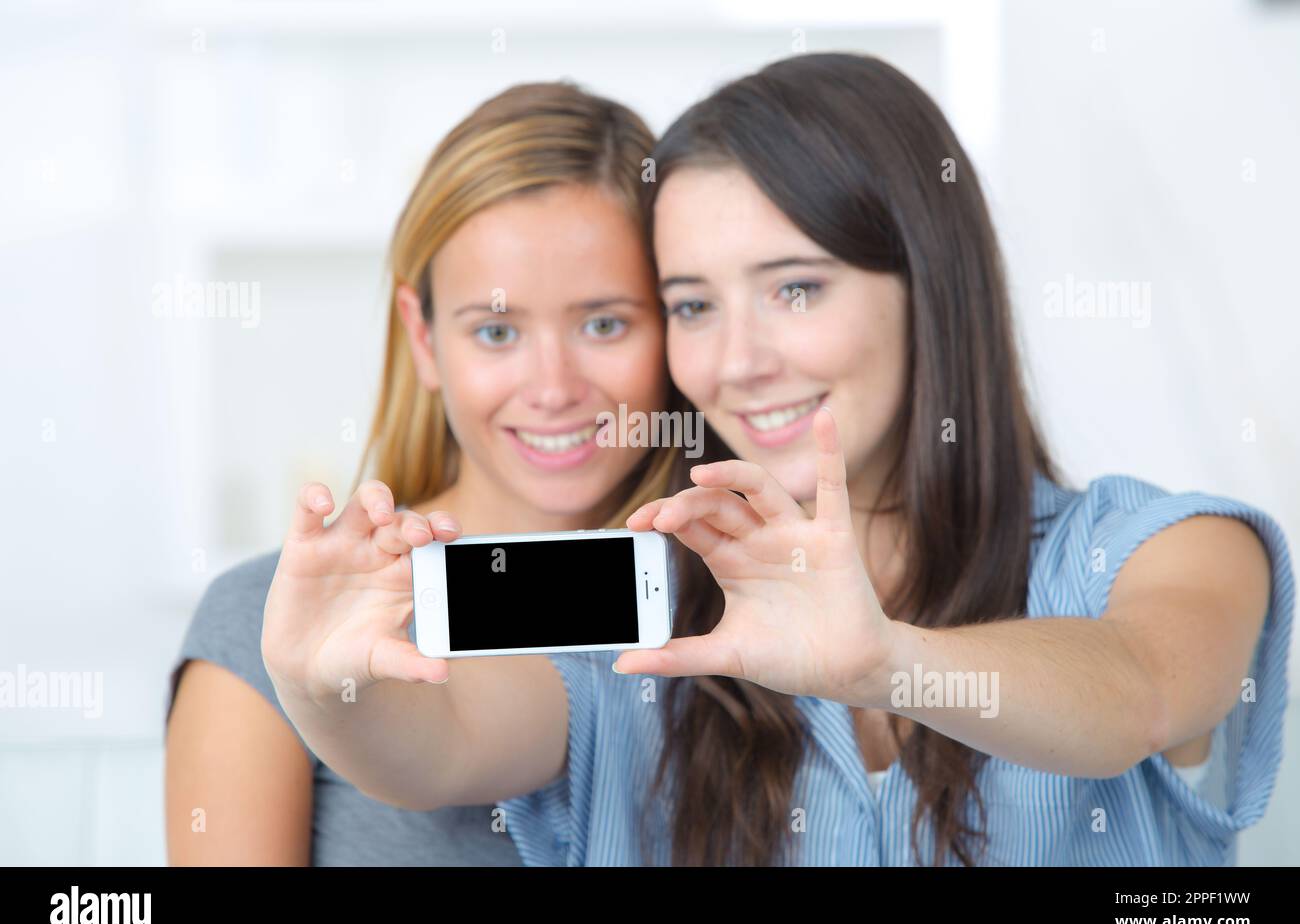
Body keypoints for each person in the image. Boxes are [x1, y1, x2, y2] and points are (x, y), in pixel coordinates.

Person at [264, 54, 1293, 866]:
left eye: (795, 287)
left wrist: (887, 660)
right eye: (692, 305)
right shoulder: (634, 581)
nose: (739, 362)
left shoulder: (1167, 547)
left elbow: (1144, 691)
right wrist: (322, 686)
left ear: (930, 285)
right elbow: (436, 741)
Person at [164, 81, 682, 865]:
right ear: (424, 336)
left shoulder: (737, 602)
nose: (552, 386)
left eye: (604, 323)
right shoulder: (263, 629)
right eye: (498, 330)